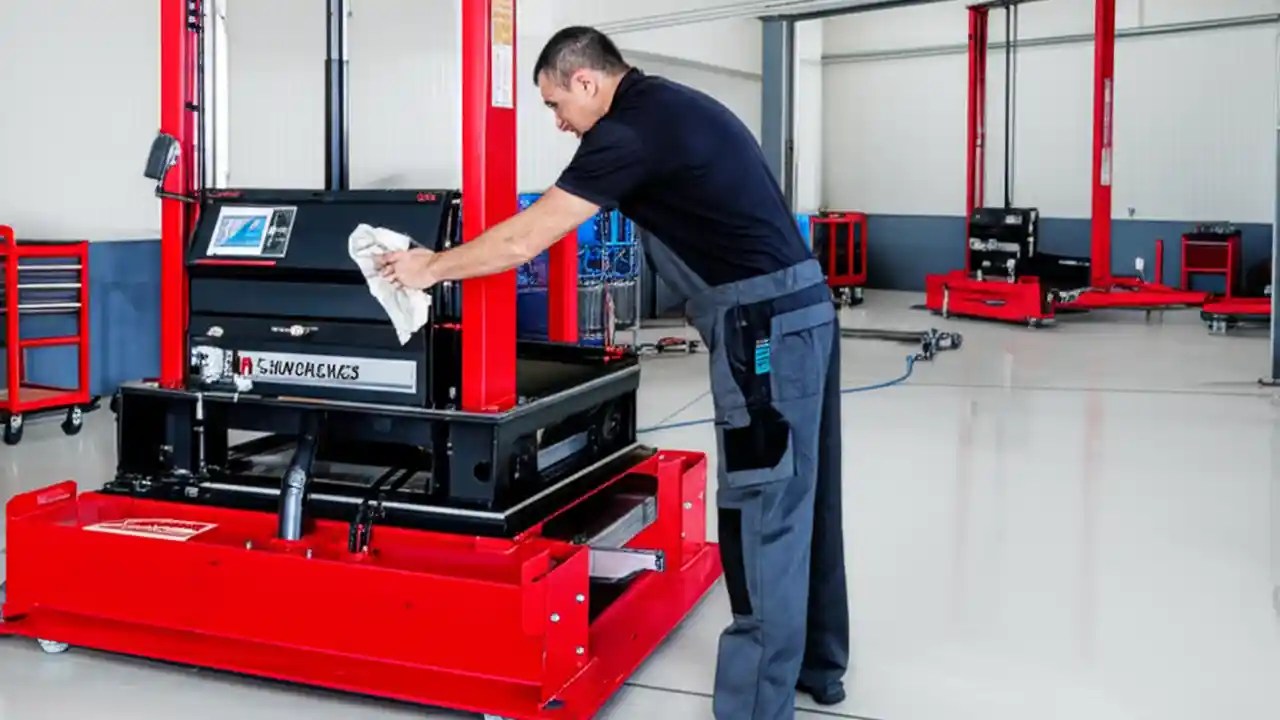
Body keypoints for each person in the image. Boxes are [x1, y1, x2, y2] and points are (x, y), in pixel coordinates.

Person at [377, 26, 848, 720]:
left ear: (586, 82)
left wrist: (429, 267)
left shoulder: (626, 133)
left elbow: (524, 238)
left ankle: (755, 707)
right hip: (795, 313)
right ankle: (819, 664)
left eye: (554, 105)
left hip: (763, 332)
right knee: (804, 496)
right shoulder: (667, 106)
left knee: (762, 506)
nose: (561, 123)